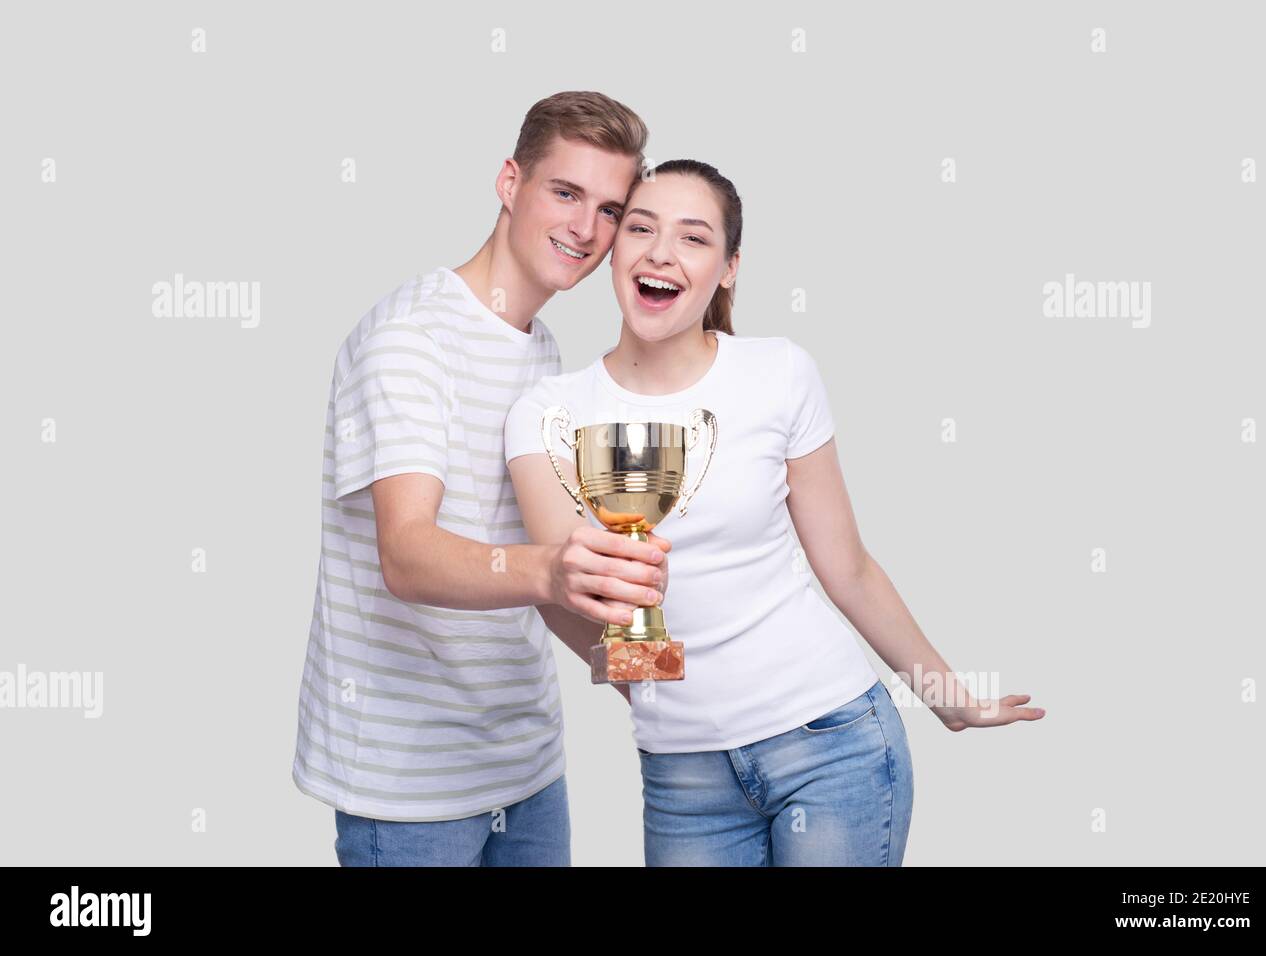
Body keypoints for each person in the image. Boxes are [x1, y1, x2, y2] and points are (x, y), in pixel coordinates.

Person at [505, 159, 1047, 866]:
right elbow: (560, 596)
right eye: (640, 227)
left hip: (832, 742)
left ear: (729, 269)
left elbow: (847, 568)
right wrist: (644, 682)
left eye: (693, 238)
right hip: (681, 771)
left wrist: (946, 695)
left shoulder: (778, 372)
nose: (661, 251)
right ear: (615, 249)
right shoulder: (547, 414)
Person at [291, 91, 672, 866]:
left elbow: (541, 578)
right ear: (509, 182)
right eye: (565, 193)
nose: (584, 230)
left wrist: (654, 685)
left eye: (608, 209)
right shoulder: (410, 338)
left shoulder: (540, 349)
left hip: (528, 773)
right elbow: (407, 555)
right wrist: (555, 567)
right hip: (409, 792)